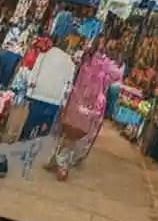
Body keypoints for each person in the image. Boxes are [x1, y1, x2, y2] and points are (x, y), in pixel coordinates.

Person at [47, 44, 123, 180]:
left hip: (88, 105)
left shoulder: (104, 66)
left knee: (74, 135)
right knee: (69, 132)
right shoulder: (92, 62)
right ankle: (58, 161)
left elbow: (113, 84)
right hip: (80, 102)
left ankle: (61, 164)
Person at [21, 35, 75, 140]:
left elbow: (35, 72)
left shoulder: (44, 54)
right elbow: (69, 83)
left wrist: (29, 92)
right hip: (54, 99)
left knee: (30, 121)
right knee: (45, 126)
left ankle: (22, 142)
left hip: (38, 94)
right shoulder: (70, 62)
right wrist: (63, 102)